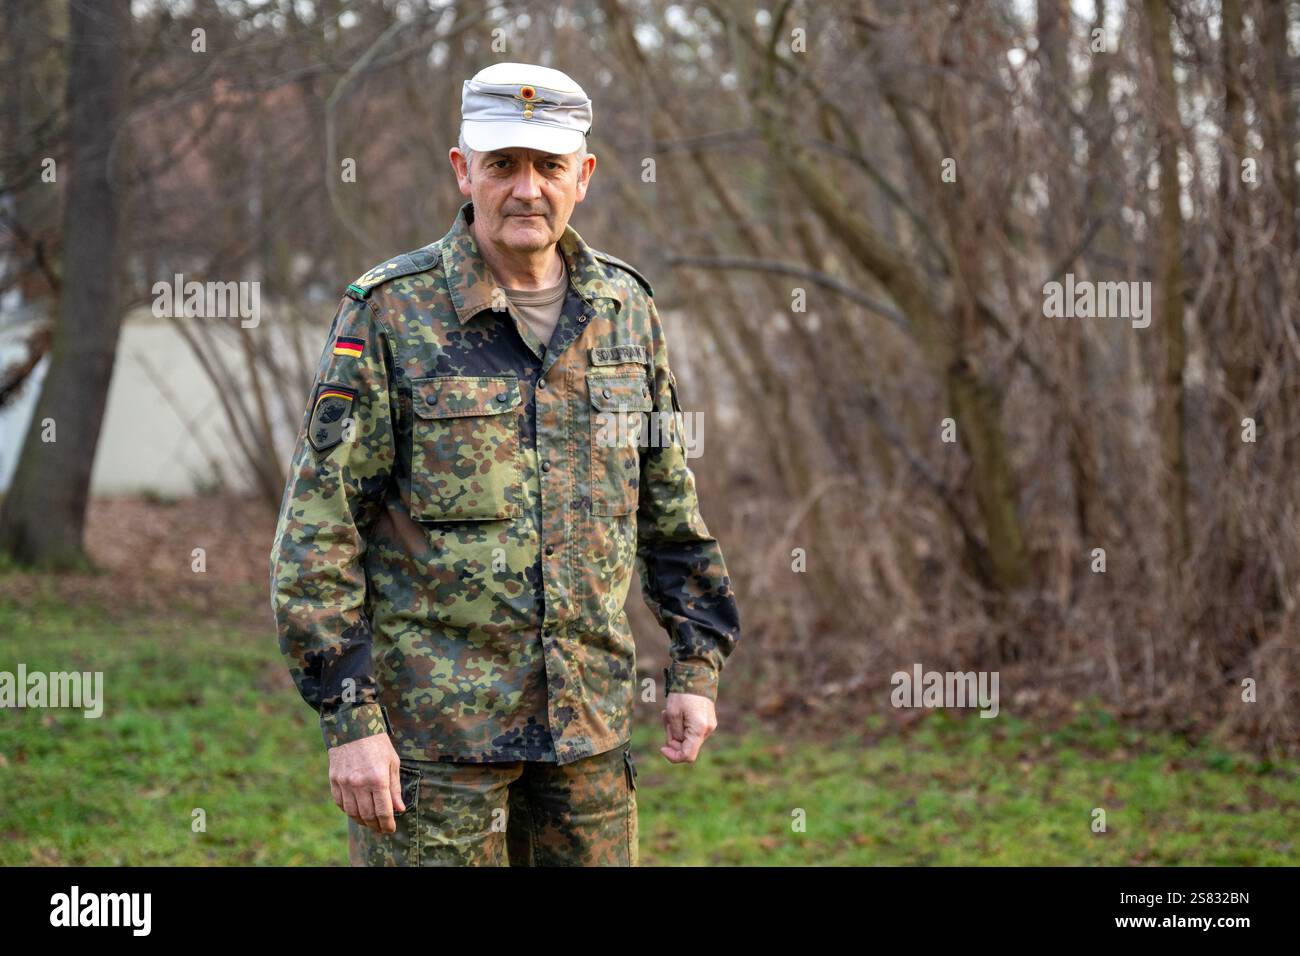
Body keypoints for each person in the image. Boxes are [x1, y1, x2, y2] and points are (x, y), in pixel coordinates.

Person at [269, 61, 740, 866]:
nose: (527, 189)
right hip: (435, 753)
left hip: (587, 736)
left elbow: (668, 506)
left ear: (582, 176)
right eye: (503, 165)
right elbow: (318, 533)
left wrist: (696, 663)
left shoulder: (627, 310)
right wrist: (350, 719)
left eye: (549, 166)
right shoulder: (390, 311)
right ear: (464, 170)